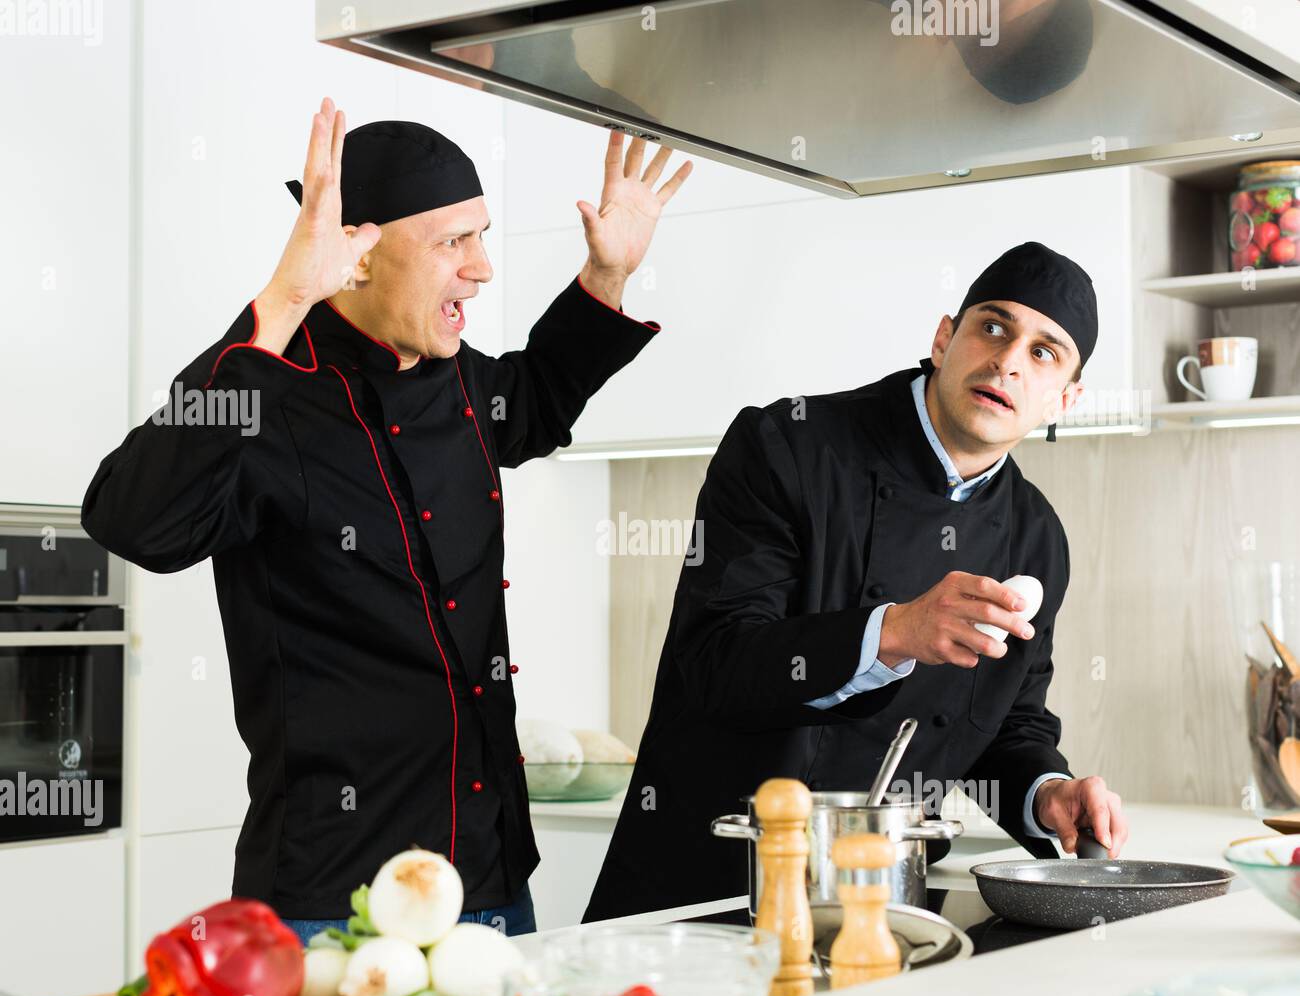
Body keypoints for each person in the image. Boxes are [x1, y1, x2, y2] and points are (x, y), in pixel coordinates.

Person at [82, 98, 691, 945]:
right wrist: (284, 296)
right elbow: (131, 519)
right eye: (453, 242)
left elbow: (541, 397)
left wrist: (609, 276)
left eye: (481, 236)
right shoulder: (265, 399)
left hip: (490, 881)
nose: (481, 270)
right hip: (334, 903)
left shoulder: (464, 383)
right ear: (358, 259)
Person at [584, 241, 1129, 922]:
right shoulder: (786, 446)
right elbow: (712, 663)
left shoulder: (1036, 534)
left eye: (1044, 352)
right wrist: (895, 632)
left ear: (1065, 399)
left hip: (881, 904)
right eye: (992, 326)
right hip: (708, 889)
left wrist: (1046, 791)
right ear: (943, 338)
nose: (1008, 360)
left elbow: (1002, 723)